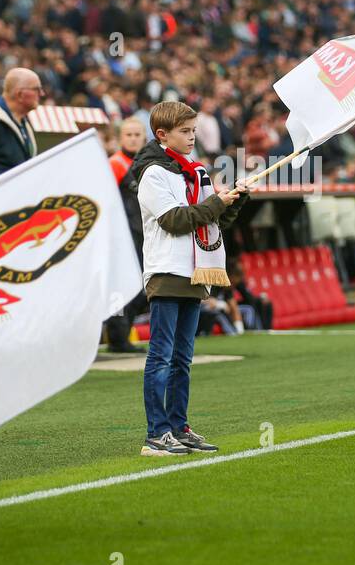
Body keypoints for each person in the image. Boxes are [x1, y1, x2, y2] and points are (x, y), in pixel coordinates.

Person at [128, 100, 249, 456]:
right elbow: (176, 220)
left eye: (194, 130)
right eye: (185, 132)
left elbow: (214, 221)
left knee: (183, 358)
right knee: (161, 356)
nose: (192, 137)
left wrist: (235, 201)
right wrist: (217, 204)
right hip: (168, 271)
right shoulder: (153, 173)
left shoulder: (197, 173)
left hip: (196, 272)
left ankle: (179, 426)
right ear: (163, 135)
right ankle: (156, 432)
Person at [104, 116, 147, 353]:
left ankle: (121, 337)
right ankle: (118, 338)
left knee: (141, 288)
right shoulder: (116, 163)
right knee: (124, 287)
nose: (132, 138)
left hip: (143, 234)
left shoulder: (145, 163)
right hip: (123, 236)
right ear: (121, 138)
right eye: (128, 135)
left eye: (136, 134)